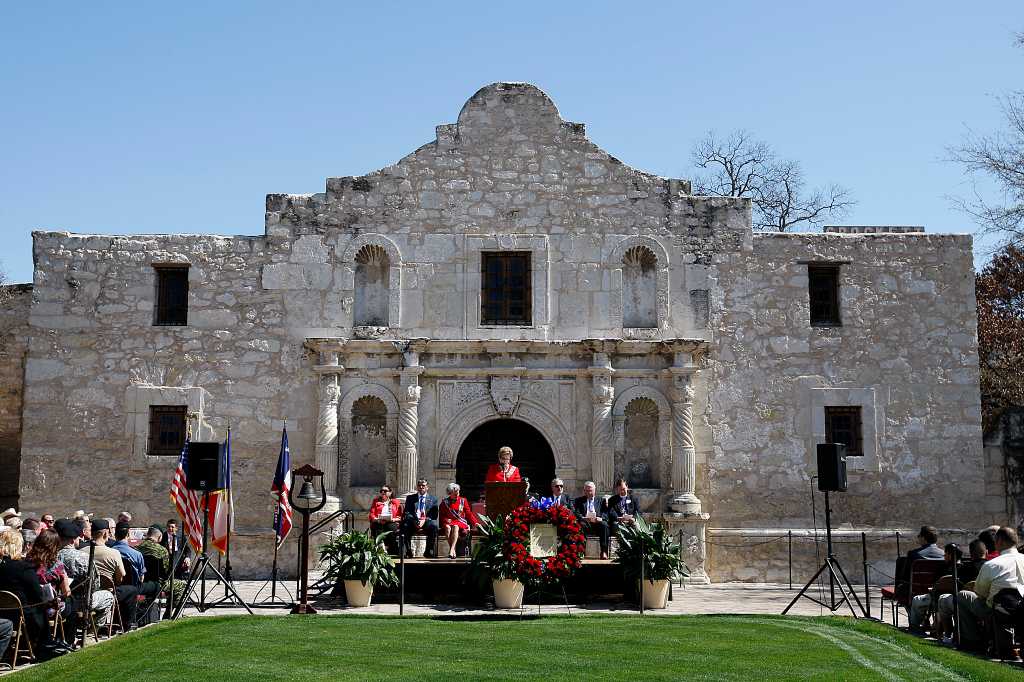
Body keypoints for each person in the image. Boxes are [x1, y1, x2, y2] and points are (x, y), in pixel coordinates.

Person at [954, 526, 1024, 652]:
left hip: (1000, 610)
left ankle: (973, 641)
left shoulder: (992, 564)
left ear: (1000, 541)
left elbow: (980, 593)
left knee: (963, 595)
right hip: (1020, 608)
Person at [53, 519, 114, 629]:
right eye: (78, 538)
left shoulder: (52, 556)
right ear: (73, 540)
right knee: (108, 596)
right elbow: (94, 583)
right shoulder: (84, 557)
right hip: (82, 601)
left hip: (58, 601)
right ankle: (93, 630)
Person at [0, 530, 50, 657]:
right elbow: (38, 593)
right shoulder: (23, 568)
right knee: (41, 607)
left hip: (3, 612)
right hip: (21, 615)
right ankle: (44, 645)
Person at [24, 529, 77, 639]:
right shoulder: (57, 565)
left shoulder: (26, 561)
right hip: (47, 607)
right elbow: (66, 592)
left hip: (28, 605)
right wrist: (64, 578)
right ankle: (68, 639)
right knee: (71, 600)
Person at [935, 539, 989, 642]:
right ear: (986, 552)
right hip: (989, 603)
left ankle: (947, 635)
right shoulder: (992, 566)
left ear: (971, 554)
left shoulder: (965, 568)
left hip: (971, 603)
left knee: (943, 599)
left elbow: (957, 589)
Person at [90, 519, 138, 628]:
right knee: (131, 590)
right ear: (105, 533)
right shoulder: (113, 553)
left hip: (87, 591)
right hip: (107, 591)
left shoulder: (82, 550)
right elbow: (121, 576)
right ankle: (127, 624)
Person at [439, 483, 478, 559]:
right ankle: (453, 549)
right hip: (449, 522)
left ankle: (451, 550)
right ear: (450, 493)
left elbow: (469, 514)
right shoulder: (445, 502)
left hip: (460, 522)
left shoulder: (463, 500)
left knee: (455, 526)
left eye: (458, 493)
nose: (457, 495)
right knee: (447, 528)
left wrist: (475, 523)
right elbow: (441, 515)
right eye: (455, 494)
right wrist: (446, 520)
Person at [402, 480, 439, 558]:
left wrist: (425, 520)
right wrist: (415, 520)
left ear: (427, 487)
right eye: (419, 485)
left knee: (434, 526)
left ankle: (428, 551)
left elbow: (434, 515)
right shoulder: (410, 498)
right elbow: (407, 512)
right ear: (417, 487)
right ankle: (408, 551)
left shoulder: (433, 499)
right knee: (405, 526)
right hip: (413, 521)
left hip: (426, 521)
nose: (421, 487)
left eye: (423, 485)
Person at [574, 481, 610, 559]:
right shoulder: (579, 501)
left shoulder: (601, 500)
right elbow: (576, 513)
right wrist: (583, 518)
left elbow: (606, 513)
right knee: (580, 525)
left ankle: (604, 551)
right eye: (587, 491)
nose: (589, 493)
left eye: (591, 490)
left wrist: (601, 518)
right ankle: (581, 551)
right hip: (585, 523)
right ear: (584, 491)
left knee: (604, 525)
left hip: (597, 523)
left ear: (594, 490)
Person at [368, 486, 403, 555]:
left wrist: (393, 519)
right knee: (377, 527)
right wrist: (377, 520)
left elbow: (400, 516)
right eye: (381, 491)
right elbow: (371, 514)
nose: (383, 492)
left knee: (391, 527)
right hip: (379, 521)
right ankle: (380, 548)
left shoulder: (395, 502)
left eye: (385, 491)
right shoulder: (376, 501)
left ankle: (392, 548)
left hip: (391, 522)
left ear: (390, 493)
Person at [111, 522, 146, 587]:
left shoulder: (109, 552)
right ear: (128, 534)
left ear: (115, 534)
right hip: (132, 589)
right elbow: (141, 578)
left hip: (114, 588)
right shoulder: (137, 554)